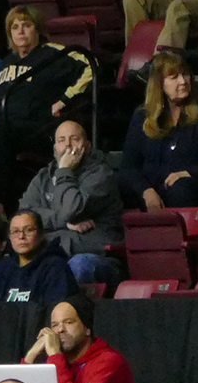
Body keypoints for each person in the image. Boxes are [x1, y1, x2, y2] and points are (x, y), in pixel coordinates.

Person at [0, 7, 93, 209]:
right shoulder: (5, 63)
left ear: (38, 29)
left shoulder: (52, 53)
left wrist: (65, 99)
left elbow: (90, 66)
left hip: (40, 126)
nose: (20, 31)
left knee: (0, 136)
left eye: (26, 25)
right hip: (7, 127)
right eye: (15, 27)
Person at [119, 50, 198, 211]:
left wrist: (189, 173)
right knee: (119, 186)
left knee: (180, 189)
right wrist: (146, 192)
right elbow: (128, 167)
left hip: (194, 186)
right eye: (174, 77)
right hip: (152, 189)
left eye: (185, 74)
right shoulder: (142, 117)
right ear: (159, 84)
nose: (183, 81)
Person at [19, 120, 121, 287]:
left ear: (87, 145)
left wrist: (64, 171)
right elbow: (24, 217)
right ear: (55, 149)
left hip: (94, 257)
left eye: (74, 139)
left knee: (75, 267)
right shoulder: (43, 178)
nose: (68, 145)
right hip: (54, 254)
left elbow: (71, 211)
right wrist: (64, 223)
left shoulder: (101, 175)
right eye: (62, 140)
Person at [21, 296, 137, 383]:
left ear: (87, 329)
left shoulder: (109, 361)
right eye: (55, 325)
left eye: (68, 322)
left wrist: (55, 356)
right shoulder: (58, 363)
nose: (60, 330)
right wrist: (31, 355)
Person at [0, 211, 80, 305]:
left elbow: (56, 309)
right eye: (15, 231)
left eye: (28, 230)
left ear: (41, 234)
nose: (21, 236)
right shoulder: (0, 269)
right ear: (9, 237)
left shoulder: (56, 267)